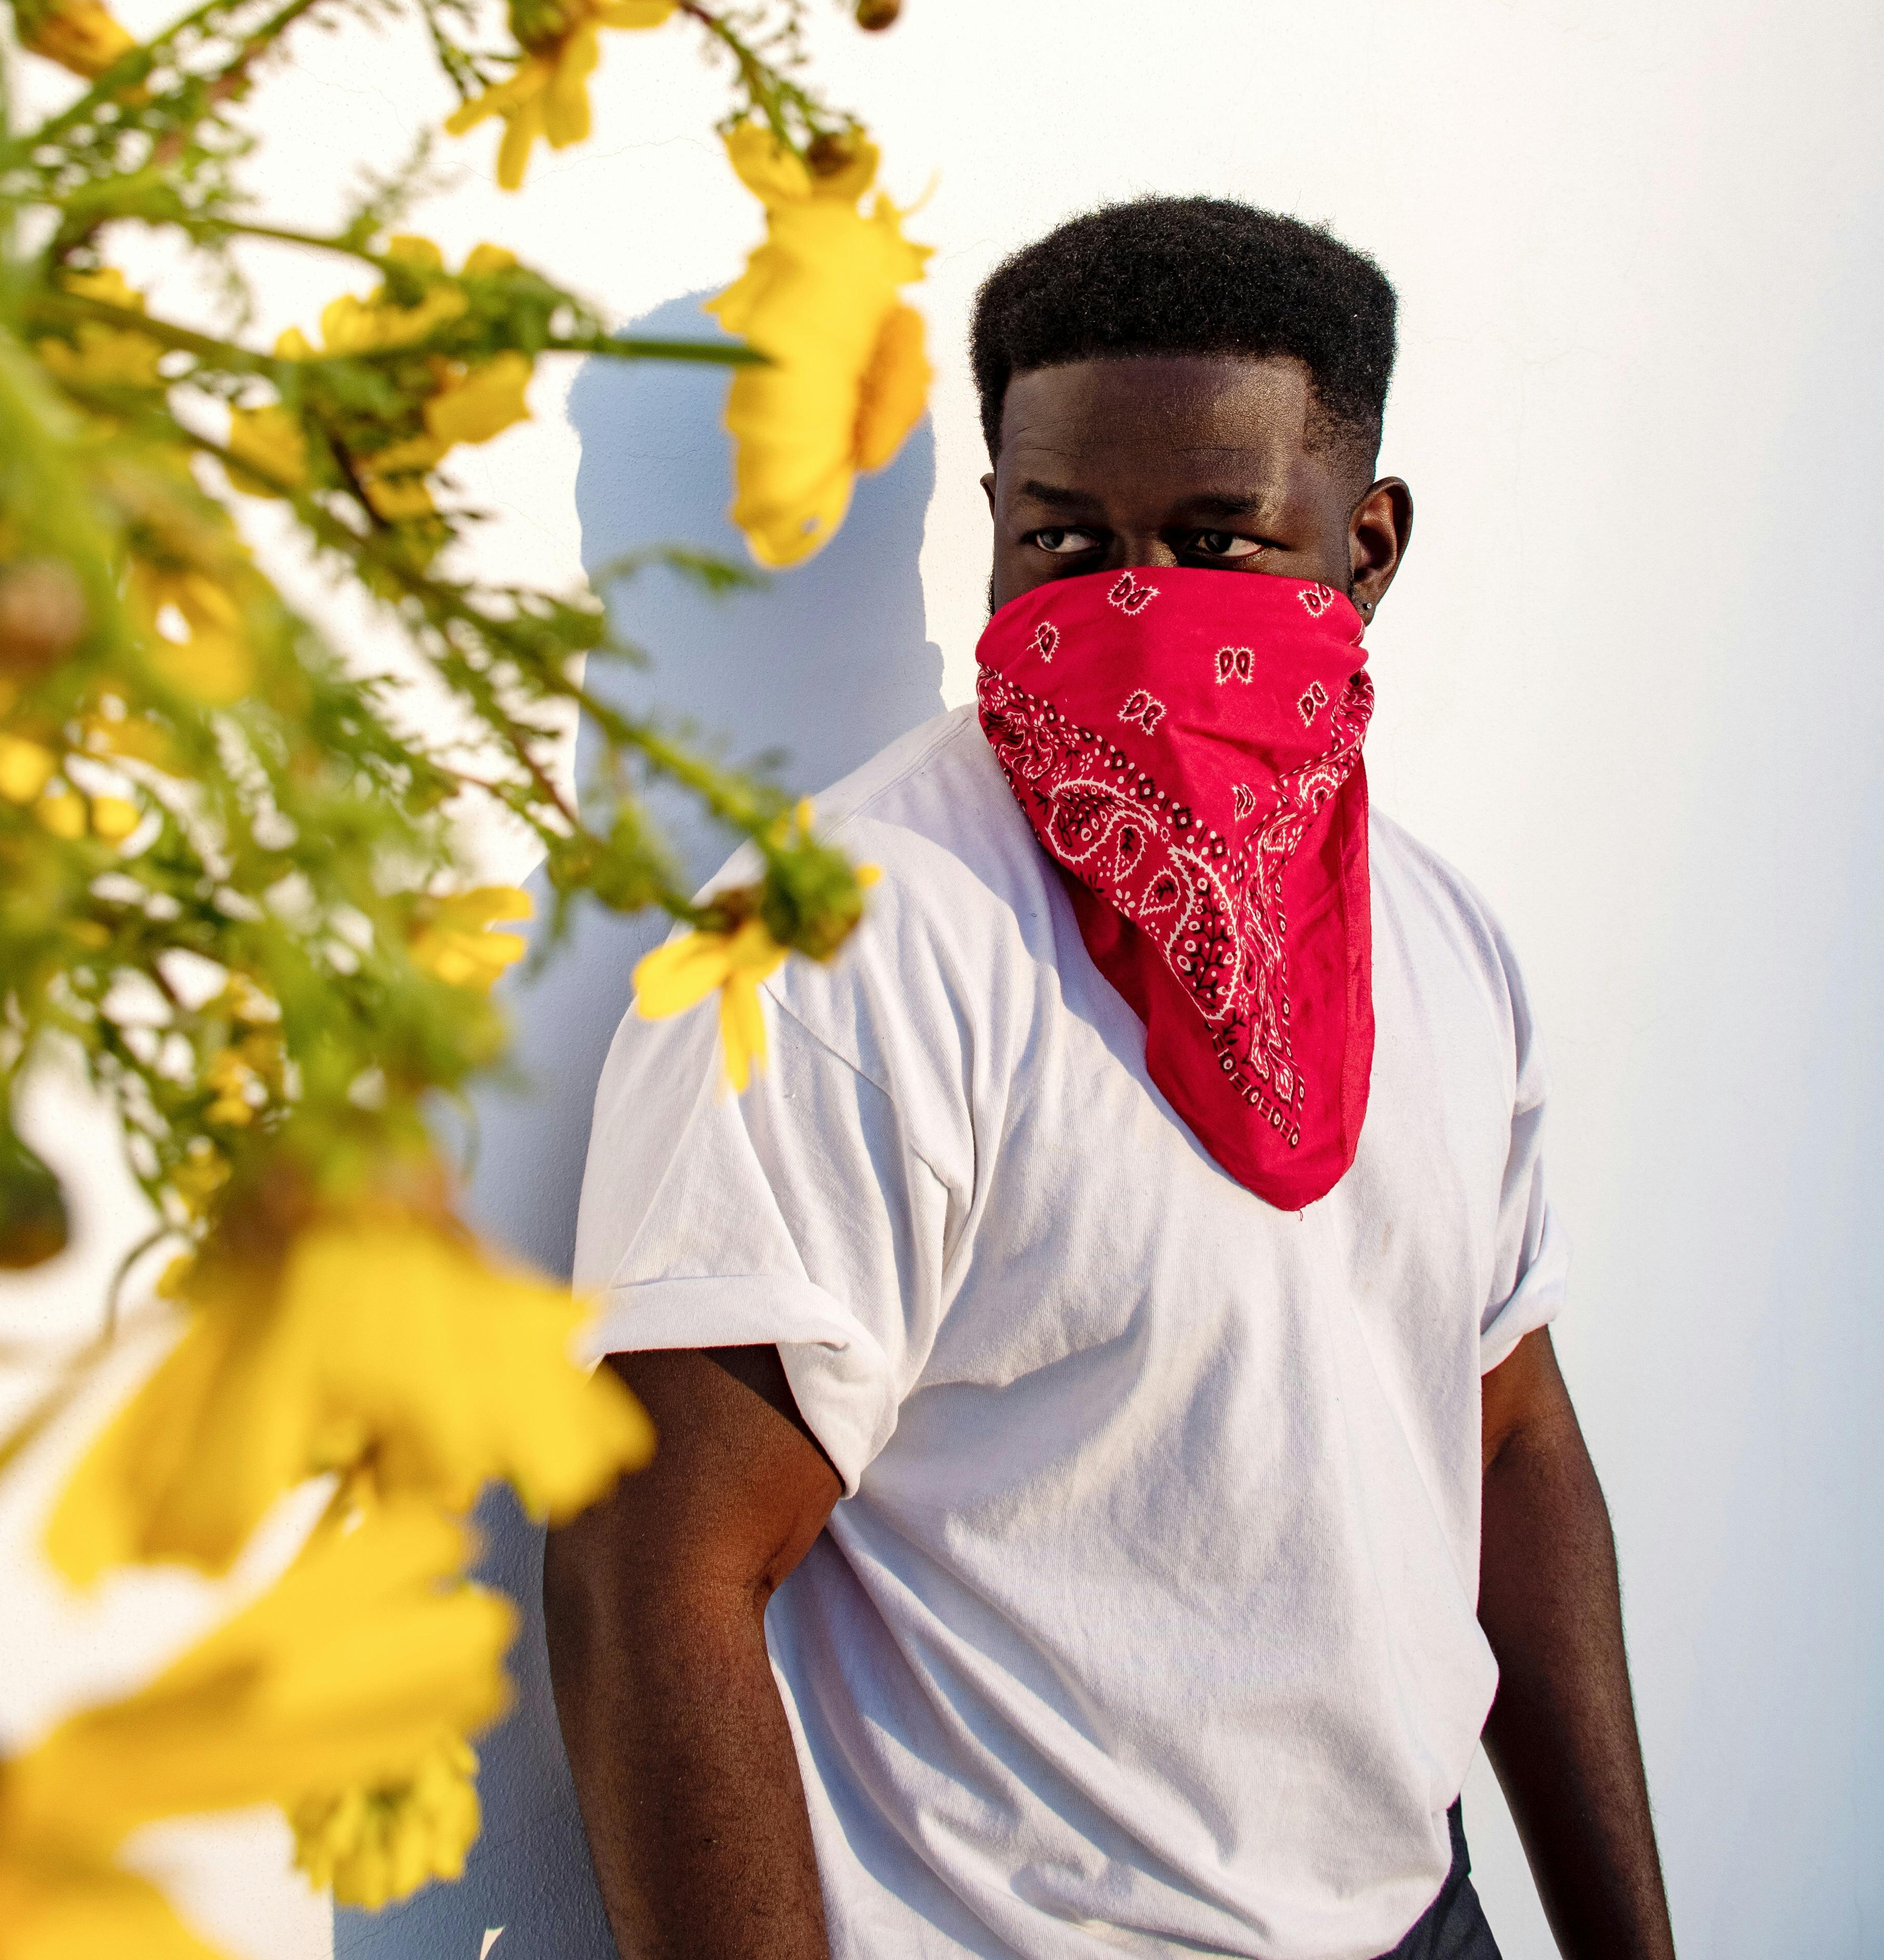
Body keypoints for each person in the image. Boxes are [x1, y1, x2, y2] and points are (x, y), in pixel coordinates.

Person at [544, 196, 1677, 1960]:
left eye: (1222, 547)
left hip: (1414, 1915)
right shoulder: (841, 945)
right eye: (1067, 545)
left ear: (1366, 548)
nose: (1141, 611)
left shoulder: (1445, 946)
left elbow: (1509, 1433)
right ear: (992, 534)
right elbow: (651, 1581)